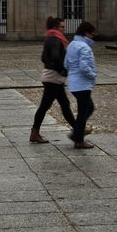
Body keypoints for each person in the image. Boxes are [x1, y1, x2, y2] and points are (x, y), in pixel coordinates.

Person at [29, 15, 76, 144]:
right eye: (62, 27)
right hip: (53, 77)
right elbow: (55, 56)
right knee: (45, 106)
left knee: (64, 105)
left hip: (52, 76)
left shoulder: (50, 37)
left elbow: (43, 58)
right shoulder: (55, 39)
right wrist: (62, 69)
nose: (63, 30)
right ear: (56, 27)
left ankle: (78, 130)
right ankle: (35, 132)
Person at [65, 20, 98, 149]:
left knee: (87, 108)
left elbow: (66, 64)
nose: (93, 36)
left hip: (74, 83)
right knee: (85, 110)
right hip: (82, 84)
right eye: (92, 34)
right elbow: (84, 67)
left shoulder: (72, 44)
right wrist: (93, 75)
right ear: (86, 33)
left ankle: (77, 134)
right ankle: (78, 139)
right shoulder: (84, 47)